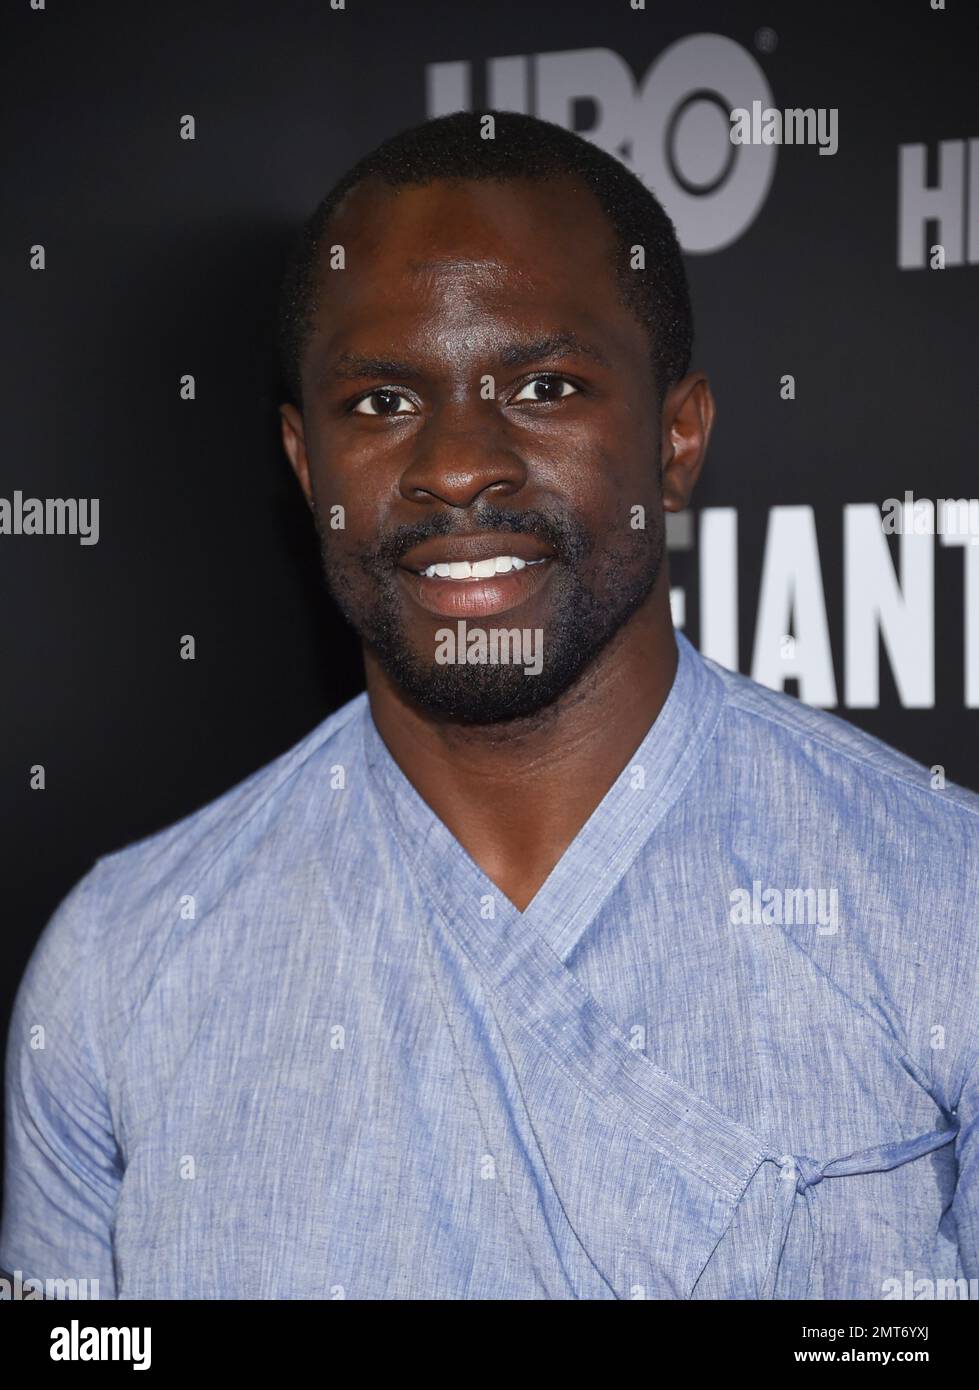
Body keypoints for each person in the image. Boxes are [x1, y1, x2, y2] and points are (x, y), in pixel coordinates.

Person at [2, 110, 977, 1300]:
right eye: (380, 403)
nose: (458, 463)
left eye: (543, 384)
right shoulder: (118, 964)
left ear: (676, 435)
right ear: (307, 467)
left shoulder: (942, 904)